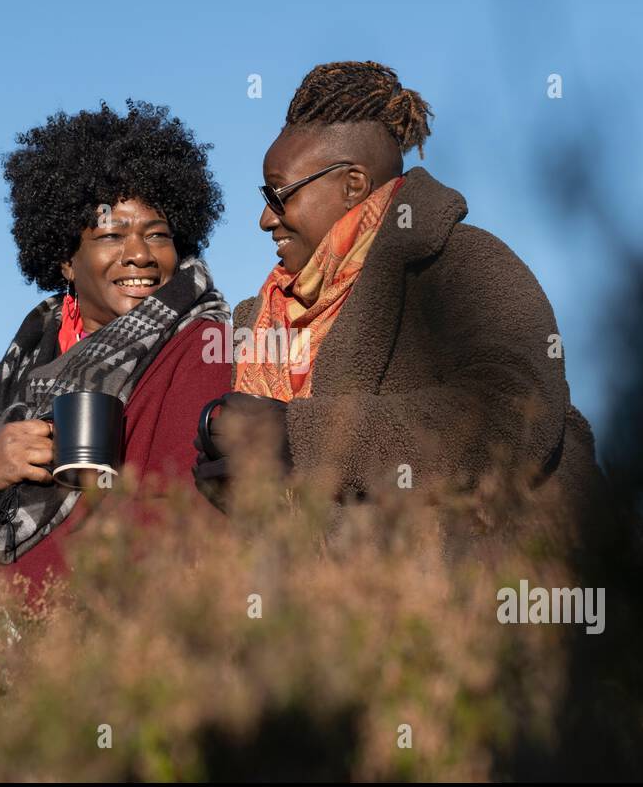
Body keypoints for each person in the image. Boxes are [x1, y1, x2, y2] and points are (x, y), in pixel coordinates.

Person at [194, 61, 601, 533]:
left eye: (278, 194)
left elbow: (516, 418)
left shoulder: (463, 263)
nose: (265, 219)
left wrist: (299, 437)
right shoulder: (256, 316)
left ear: (353, 186)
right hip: (321, 599)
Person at [0, 100, 231, 619]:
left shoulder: (199, 348)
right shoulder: (18, 368)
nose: (139, 254)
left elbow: (182, 524)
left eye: (157, 234)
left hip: (95, 659)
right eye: (112, 235)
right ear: (66, 261)